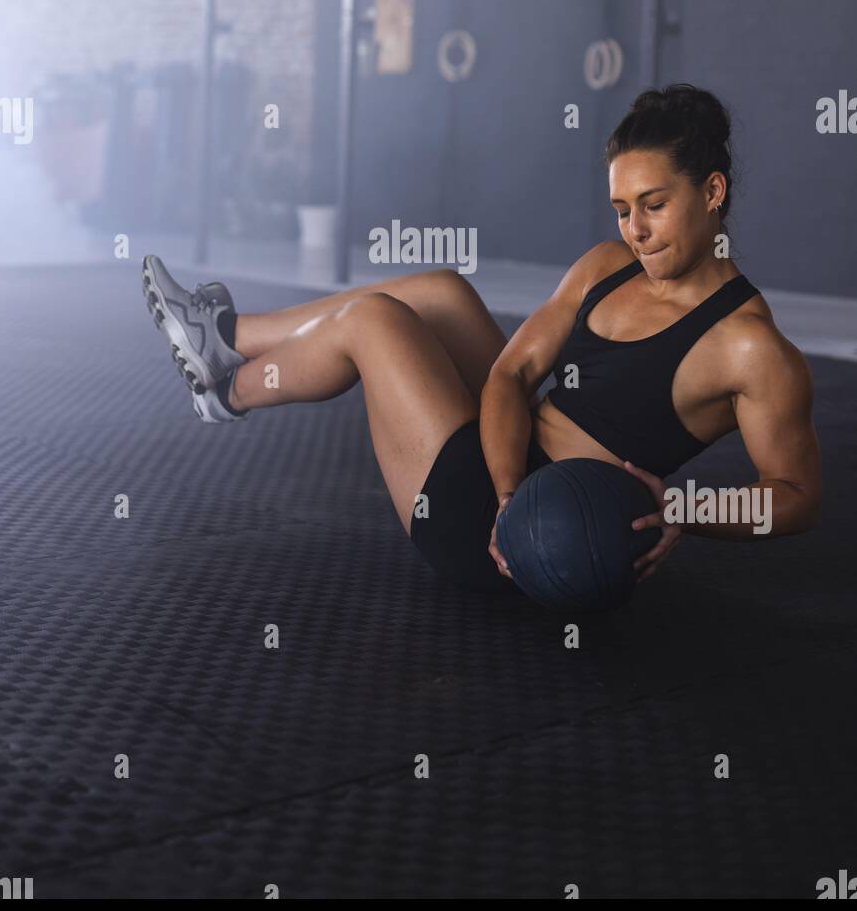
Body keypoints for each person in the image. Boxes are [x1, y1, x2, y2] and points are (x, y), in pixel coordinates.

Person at [142, 84, 822, 596]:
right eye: (621, 210)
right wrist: (505, 491)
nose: (634, 230)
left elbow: (794, 493)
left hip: (531, 533)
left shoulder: (749, 347)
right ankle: (225, 336)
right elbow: (508, 378)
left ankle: (225, 392)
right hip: (500, 484)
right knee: (440, 290)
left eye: (653, 205)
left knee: (373, 321)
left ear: (710, 192)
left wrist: (682, 507)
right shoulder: (607, 267)